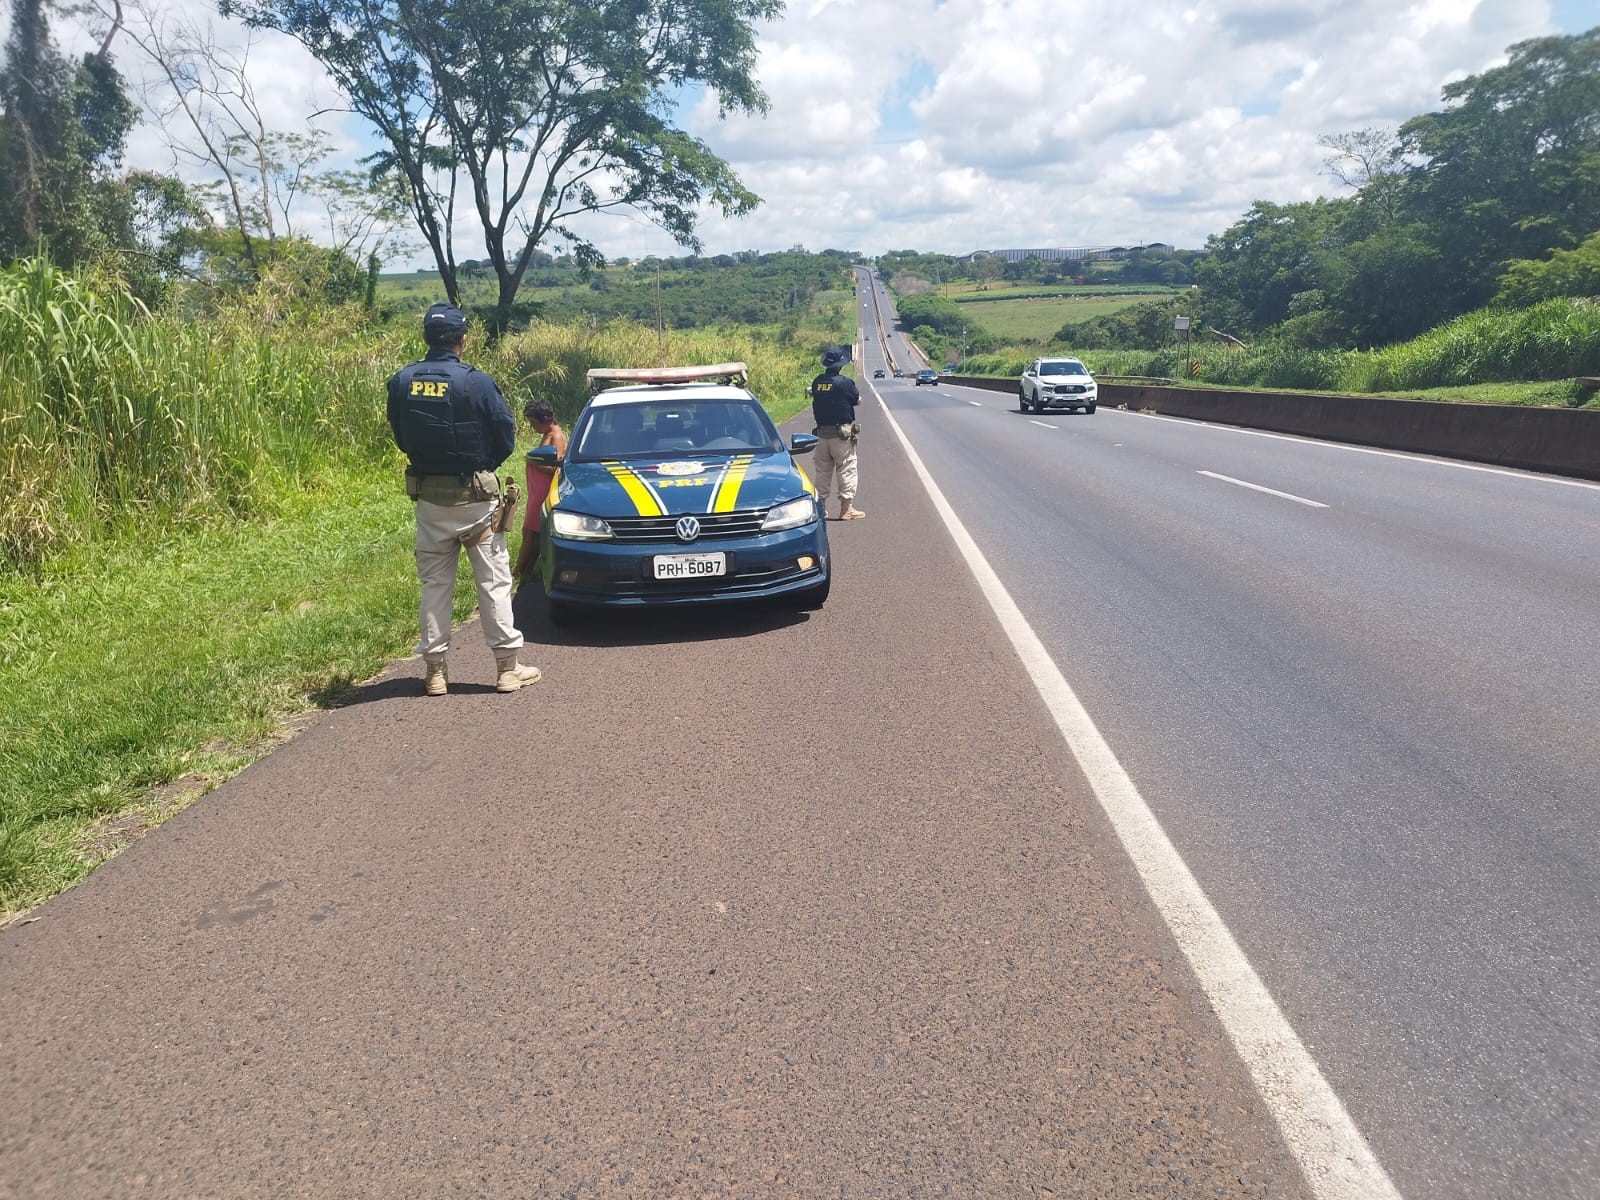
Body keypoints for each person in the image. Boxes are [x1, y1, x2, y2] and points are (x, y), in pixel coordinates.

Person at [386, 303, 542, 696]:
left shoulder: (401, 381)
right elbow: (505, 432)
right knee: (493, 582)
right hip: (476, 500)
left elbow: (400, 434)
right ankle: (507, 669)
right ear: (462, 340)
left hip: (429, 499)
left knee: (434, 585)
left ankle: (435, 672)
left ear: (425, 338)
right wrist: (484, 466)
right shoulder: (476, 382)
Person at [513, 398, 567, 583]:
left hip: (544, 491)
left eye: (534, 423)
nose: (533, 427)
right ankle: (526, 570)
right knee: (530, 532)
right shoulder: (548, 434)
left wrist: (532, 461)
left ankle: (517, 572)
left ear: (545, 419)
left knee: (530, 532)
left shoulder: (556, 436)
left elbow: (557, 467)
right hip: (536, 491)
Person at [809, 346, 865, 519]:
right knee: (846, 468)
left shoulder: (817, 382)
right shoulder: (845, 383)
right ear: (840, 365)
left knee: (822, 472)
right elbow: (857, 399)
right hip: (840, 436)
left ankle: (821, 508)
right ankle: (846, 509)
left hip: (820, 435)